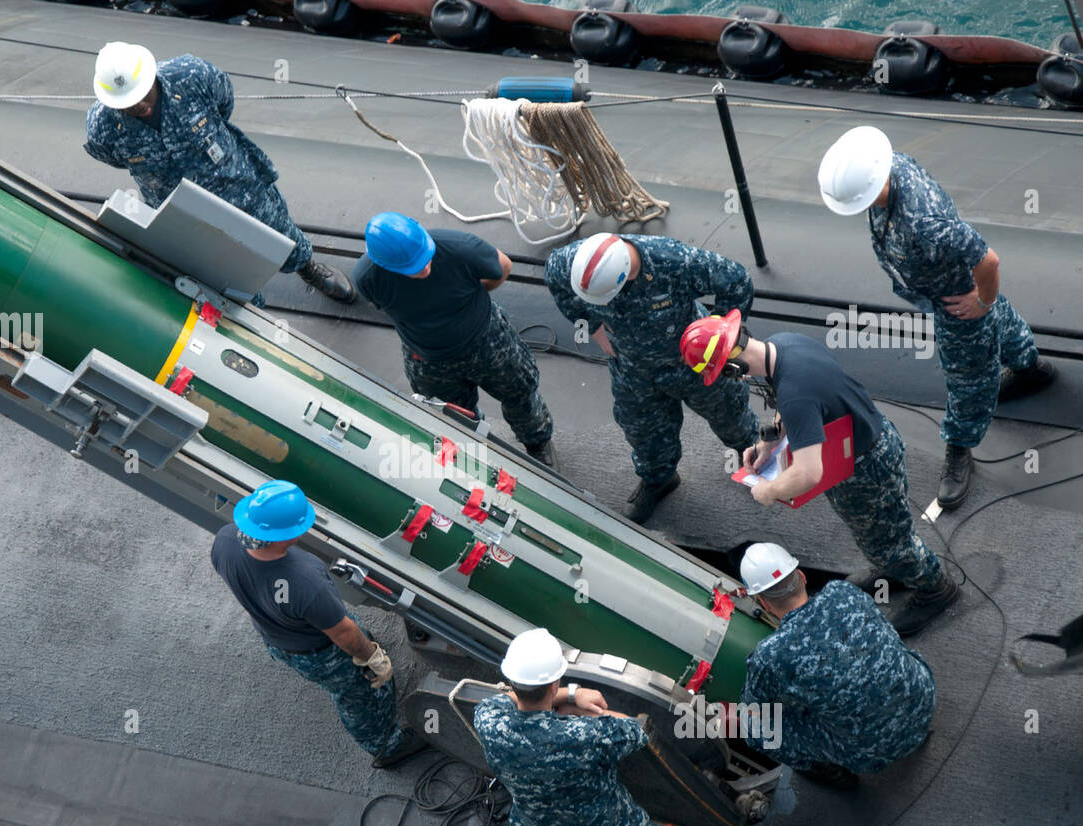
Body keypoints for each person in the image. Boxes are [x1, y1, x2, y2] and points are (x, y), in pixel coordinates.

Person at [818, 125, 1055, 509]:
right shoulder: (887, 166)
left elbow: (988, 260)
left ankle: (960, 445)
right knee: (1001, 319)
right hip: (943, 285)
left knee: (968, 378)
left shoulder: (923, 222)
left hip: (956, 302)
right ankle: (1030, 367)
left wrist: (981, 301)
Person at [681, 312, 959, 636]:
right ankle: (890, 566)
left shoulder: (794, 392)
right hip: (864, 442)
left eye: (723, 375)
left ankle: (934, 586)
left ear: (733, 368)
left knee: (891, 541)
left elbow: (809, 473)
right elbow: (799, 403)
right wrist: (770, 442)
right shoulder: (785, 345)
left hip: (866, 468)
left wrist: (768, 491)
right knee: (877, 534)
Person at [472, 628, 724, 826]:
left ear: (513, 680)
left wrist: (566, 697)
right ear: (555, 682)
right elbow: (636, 731)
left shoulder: (489, 720)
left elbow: (507, 699)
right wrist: (579, 700)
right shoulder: (583, 736)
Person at [84, 42, 355, 305]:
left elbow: (224, 102)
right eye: (129, 103)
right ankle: (250, 311)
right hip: (179, 209)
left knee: (278, 231)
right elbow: (110, 156)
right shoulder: (102, 126)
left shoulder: (192, 75)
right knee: (215, 268)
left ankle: (307, 268)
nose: (141, 105)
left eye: (144, 94)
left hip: (236, 184)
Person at [545, 233, 759, 521]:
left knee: (732, 417)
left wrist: (714, 339)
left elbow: (737, 280)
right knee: (643, 430)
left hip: (693, 364)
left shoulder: (672, 261)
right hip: (633, 367)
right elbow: (554, 277)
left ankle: (757, 461)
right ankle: (659, 478)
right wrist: (592, 324)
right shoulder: (572, 261)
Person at [211, 479, 421, 767]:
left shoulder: (224, 541)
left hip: (278, 637)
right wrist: (370, 657)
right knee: (357, 695)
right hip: (322, 654)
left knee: (353, 645)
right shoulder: (304, 578)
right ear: (286, 534)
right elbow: (343, 632)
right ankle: (386, 747)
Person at [352, 213, 556, 466]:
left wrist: (473, 298)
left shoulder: (459, 248)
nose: (424, 267)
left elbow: (503, 266)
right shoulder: (367, 277)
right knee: (451, 417)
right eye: (413, 268)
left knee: (520, 393)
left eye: (425, 258)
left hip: (488, 341)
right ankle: (471, 457)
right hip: (429, 359)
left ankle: (536, 442)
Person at [738, 543, 935, 789]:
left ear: (763, 603)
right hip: (924, 700)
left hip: (874, 754)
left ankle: (831, 774)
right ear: (801, 575)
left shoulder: (770, 655)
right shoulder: (842, 591)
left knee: (753, 727)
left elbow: (755, 708)